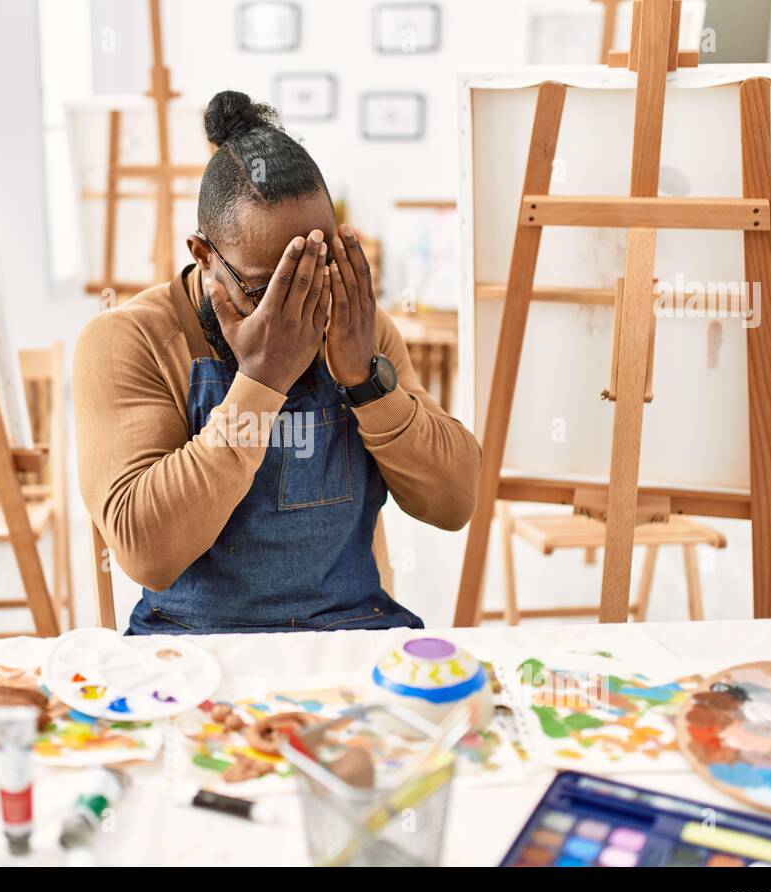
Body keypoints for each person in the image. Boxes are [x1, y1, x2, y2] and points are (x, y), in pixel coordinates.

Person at [74, 90, 481, 634]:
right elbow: (146, 550)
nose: (302, 307)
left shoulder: (358, 327)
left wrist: (367, 382)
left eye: (320, 269)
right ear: (203, 256)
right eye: (269, 289)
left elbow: (453, 503)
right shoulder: (130, 339)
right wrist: (260, 382)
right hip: (193, 647)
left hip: (352, 634)